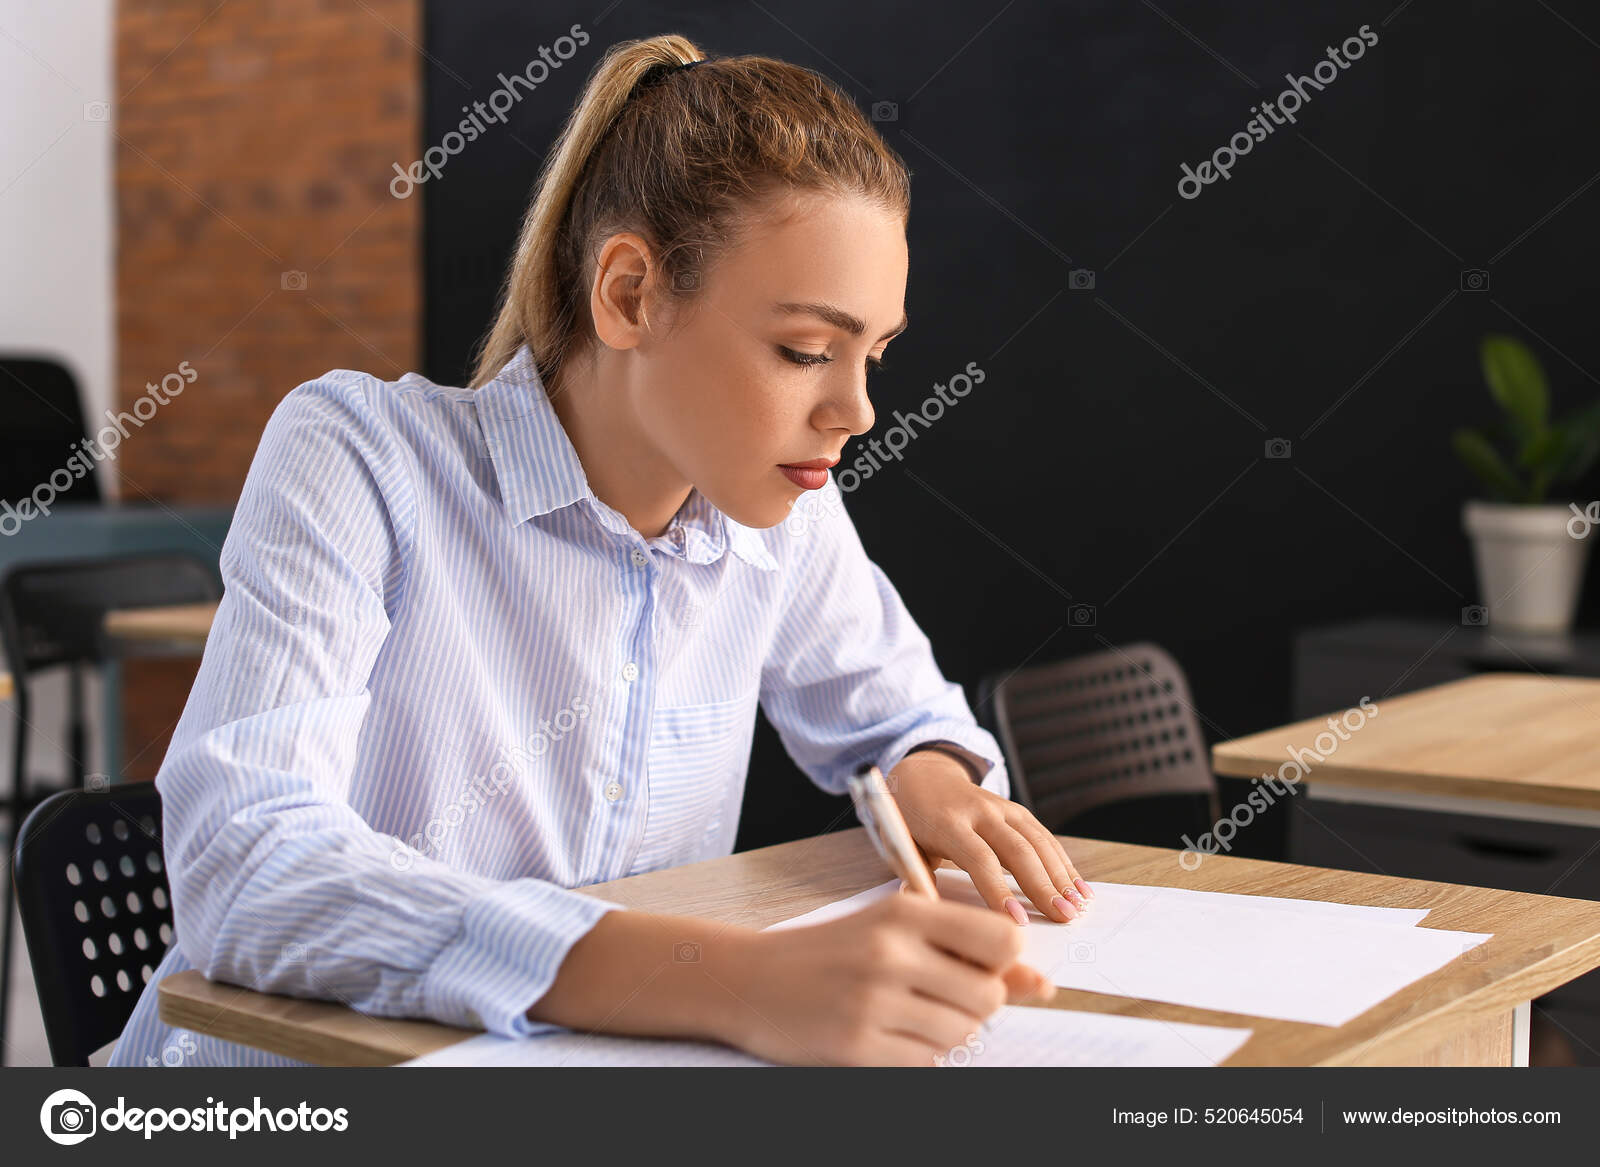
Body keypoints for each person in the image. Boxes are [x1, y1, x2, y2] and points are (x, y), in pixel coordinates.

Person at [110, 33, 1093, 1069]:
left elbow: (902, 718)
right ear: (627, 294)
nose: (855, 410)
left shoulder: (784, 508)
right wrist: (733, 983)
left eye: (873, 356)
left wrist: (930, 776)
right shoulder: (359, 456)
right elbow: (249, 872)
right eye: (805, 351)